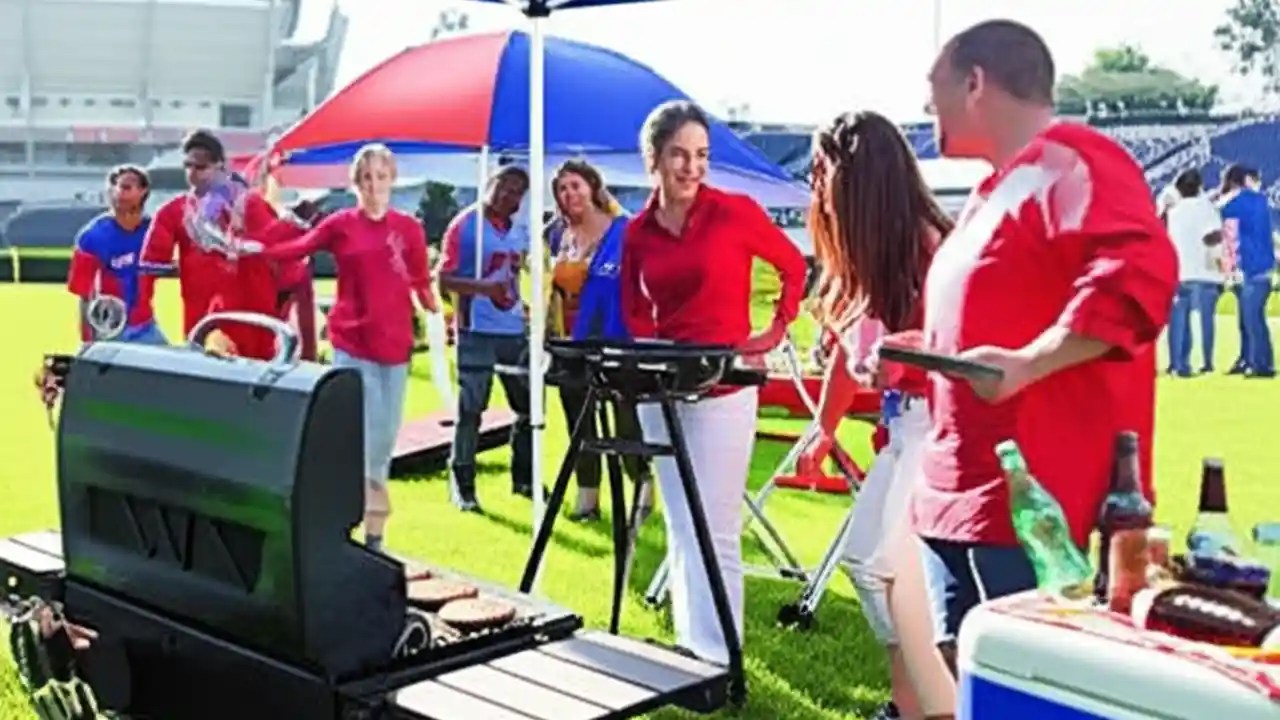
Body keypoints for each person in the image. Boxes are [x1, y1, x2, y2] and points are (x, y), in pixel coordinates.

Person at [889, 20, 1176, 688]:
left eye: (932, 90)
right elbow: (981, 324)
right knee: (974, 677)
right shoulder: (993, 190)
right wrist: (915, 354)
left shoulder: (1072, 159)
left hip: (1037, 504)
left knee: (1031, 687)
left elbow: (1137, 276)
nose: (927, 108)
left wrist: (1029, 363)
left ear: (974, 81)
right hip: (957, 492)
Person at [621, 100, 808, 665]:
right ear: (653, 158)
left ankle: (722, 655)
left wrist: (774, 329)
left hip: (725, 387)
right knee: (680, 522)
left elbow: (793, 266)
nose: (691, 167)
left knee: (716, 527)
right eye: (679, 154)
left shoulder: (735, 212)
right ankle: (690, 646)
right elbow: (633, 312)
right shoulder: (636, 233)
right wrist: (651, 353)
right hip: (665, 389)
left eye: (701, 155)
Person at [797, 111, 956, 720]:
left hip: (936, 428)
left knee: (897, 575)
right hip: (901, 425)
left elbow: (955, 348)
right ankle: (911, 705)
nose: (815, 186)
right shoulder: (865, 252)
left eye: (823, 171)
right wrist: (826, 426)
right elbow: (847, 347)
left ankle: (929, 708)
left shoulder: (930, 248)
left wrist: (903, 358)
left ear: (859, 177)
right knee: (870, 564)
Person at [251, 144, 437, 552]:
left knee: (384, 442)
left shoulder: (408, 228)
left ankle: (373, 535)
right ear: (356, 183)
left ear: (393, 179)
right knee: (361, 438)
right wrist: (249, 247)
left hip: (395, 345)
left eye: (381, 177)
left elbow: (420, 279)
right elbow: (294, 248)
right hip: (352, 342)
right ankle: (349, 530)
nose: (374, 186)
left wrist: (438, 312)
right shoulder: (341, 225)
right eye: (366, 178)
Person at [140, 129, 315, 359]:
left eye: (200, 167)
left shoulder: (249, 204)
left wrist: (297, 225)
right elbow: (149, 266)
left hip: (255, 316)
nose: (192, 173)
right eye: (188, 166)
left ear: (219, 166)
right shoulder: (173, 212)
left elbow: (279, 244)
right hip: (204, 321)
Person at [547, 159, 654, 522]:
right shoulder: (557, 235)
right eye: (562, 189)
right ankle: (587, 497)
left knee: (626, 419)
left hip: (618, 341)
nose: (569, 194)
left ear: (592, 187)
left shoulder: (625, 230)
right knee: (579, 422)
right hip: (570, 343)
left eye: (575, 185)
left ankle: (641, 486)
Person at [437, 166, 533, 513]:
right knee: (471, 408)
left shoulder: (520, 229)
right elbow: (443, 279)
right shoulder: (466, 226)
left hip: (513, 329)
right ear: (489, 184)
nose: (509, 196)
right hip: (477, 329)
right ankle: (463, 482)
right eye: (503, 188)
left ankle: (525, 478)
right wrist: (482, 289)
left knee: (527, 406)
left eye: (517, 192)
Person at [66, 165, 166, 345]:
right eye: (114, 186)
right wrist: (88, 341)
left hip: (145, 326)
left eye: (126, 187)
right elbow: (83, 293)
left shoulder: (154, 231)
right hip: (109, 331)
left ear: (143, 191)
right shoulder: (92, 236)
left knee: (171, 368)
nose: (118, 192)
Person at [1165, 168, 1225, 376]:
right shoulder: (1207, 208)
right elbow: (1214, 238)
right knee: (1205, 320)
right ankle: (1206, 361)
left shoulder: (1173, 211)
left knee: (1178, 320)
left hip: (1179, 271)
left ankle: (1178, 363)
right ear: (1199, 187)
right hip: (1204, 272)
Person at [1219, 164, 1275, 378]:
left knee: (1251, 319)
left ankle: (1261, 363)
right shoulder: (1258, 202)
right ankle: (1250, 358)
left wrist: (1229, 269)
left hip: (1248, 268)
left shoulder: (1233, 204)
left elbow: (1230, 238)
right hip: (1257, 267)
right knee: (1248, 318)